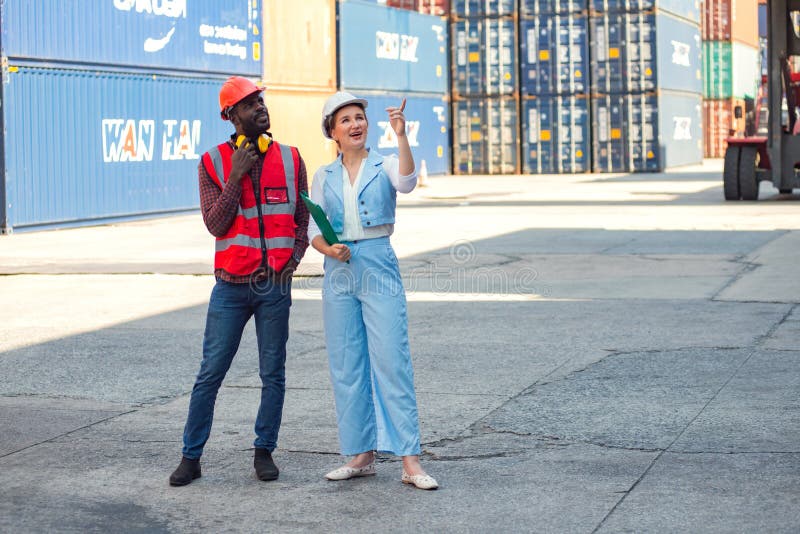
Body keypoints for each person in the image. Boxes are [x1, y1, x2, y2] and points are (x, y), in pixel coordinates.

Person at [169, 76, 309, 486]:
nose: (260, 107)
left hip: (274, 287)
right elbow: (216, 224)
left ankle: (264, 451)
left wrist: (293, 260)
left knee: (273, 373)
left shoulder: (291, 158)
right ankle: (191, 458)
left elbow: (302, 218)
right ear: (231, 116)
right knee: (210, 373)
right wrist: (236, 176)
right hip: (230, 287)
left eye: (260, 100)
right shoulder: (211, 162)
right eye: (250, 104)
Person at [308, 91, 438, 490]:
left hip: (377, 261)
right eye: (345, 120)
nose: (355, 124)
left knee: (391, 360)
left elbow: (408, 182)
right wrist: (328, 249)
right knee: (346, 364)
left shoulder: (385, 164)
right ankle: (361, 455)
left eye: (359, 117)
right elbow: (313, 228)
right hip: (338, 269)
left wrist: (401, 135)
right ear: (332, 131)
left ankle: (410, 460)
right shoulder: (323, 175)